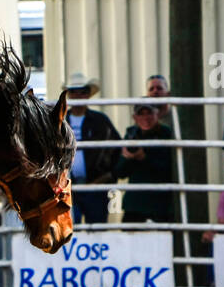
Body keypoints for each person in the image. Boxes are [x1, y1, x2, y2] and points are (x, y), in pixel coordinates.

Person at [61, 72, 120, 224]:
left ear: (88, 95)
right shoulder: (59, 122)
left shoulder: (100, 121)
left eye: (83, 91)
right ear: (69, 95)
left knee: (97, 229)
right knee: (70, 229)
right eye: (74, 92)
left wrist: (108, 176)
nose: (78, 95)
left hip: (96, 185)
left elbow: (116, 149)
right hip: (66, 188)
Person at [112, 102, 175, 223]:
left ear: (157, 114)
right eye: (141, 114)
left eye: (149, 113)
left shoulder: (166, 134)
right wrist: (127, 158)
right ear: (134, 118)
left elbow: (169, 169)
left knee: (163, 240)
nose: (146, 118)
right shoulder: (131, 135)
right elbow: (120, 172)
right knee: (129, 240)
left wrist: (144, 158)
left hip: (161, 205)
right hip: (135, 204)